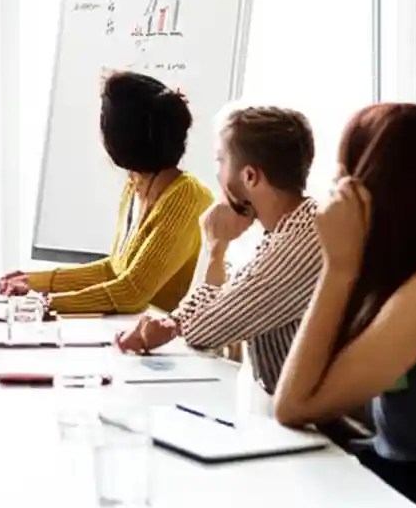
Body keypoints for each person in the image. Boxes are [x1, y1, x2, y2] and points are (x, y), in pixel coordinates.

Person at [274, 104, 416, 505]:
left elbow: (294, 404)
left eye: (341, 182)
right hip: (408, 478)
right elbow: (329, 397)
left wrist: (338, 269)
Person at [116, 106, 322, 393]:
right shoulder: (286, 230)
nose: (217, 172)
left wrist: (214, 249)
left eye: (220, 160)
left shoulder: (300, 242)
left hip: (327, 430)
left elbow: (205, 330)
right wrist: (172, 322)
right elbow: (204, 315)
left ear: (250, 177)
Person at [0, 71, 212, 313]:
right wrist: (33, 282)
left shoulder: (186, 198)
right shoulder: (136, 184)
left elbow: (131, 293)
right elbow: (114, 269)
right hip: (137, 338)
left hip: (177, 347)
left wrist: (45, 303)